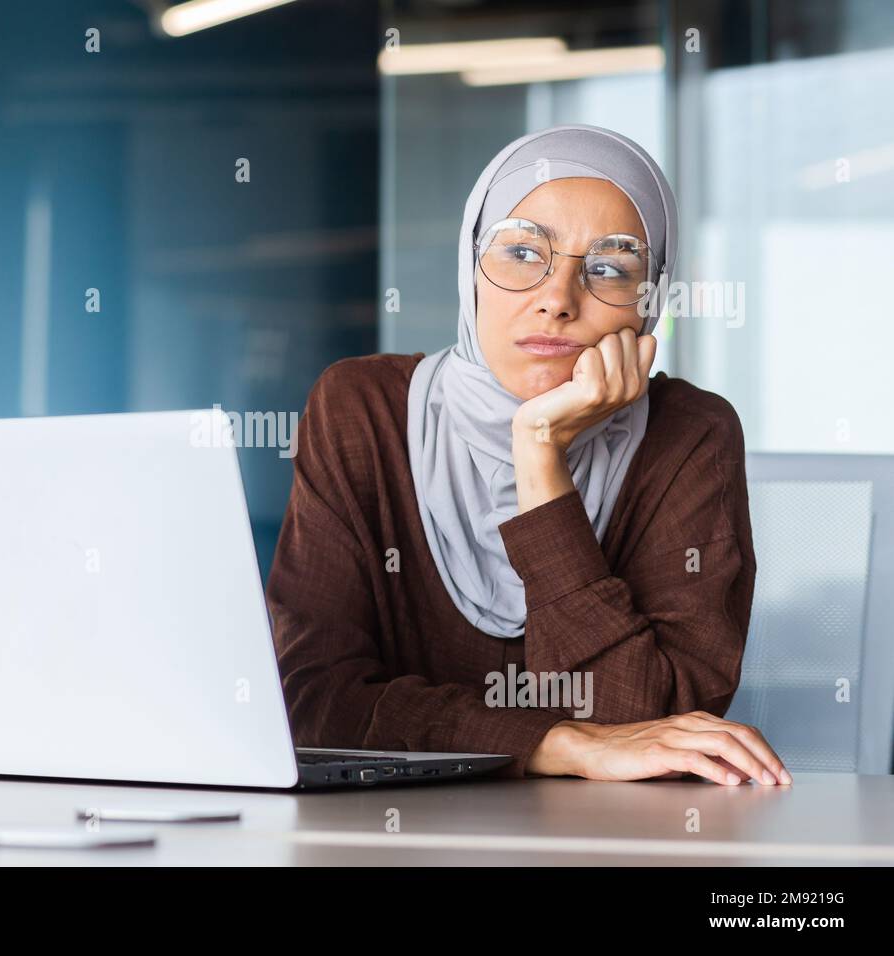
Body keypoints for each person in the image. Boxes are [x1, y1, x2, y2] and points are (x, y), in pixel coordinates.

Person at [265, 125, 789, 785]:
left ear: (650, 301)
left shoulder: (689, 434)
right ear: (470, 269)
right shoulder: (359, 411)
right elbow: (311, 709)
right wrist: (557, 745)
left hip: (605, 847)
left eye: (609, 268)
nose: (557, 300)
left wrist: (539, 457)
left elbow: (651, 730)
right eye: (520, 251)